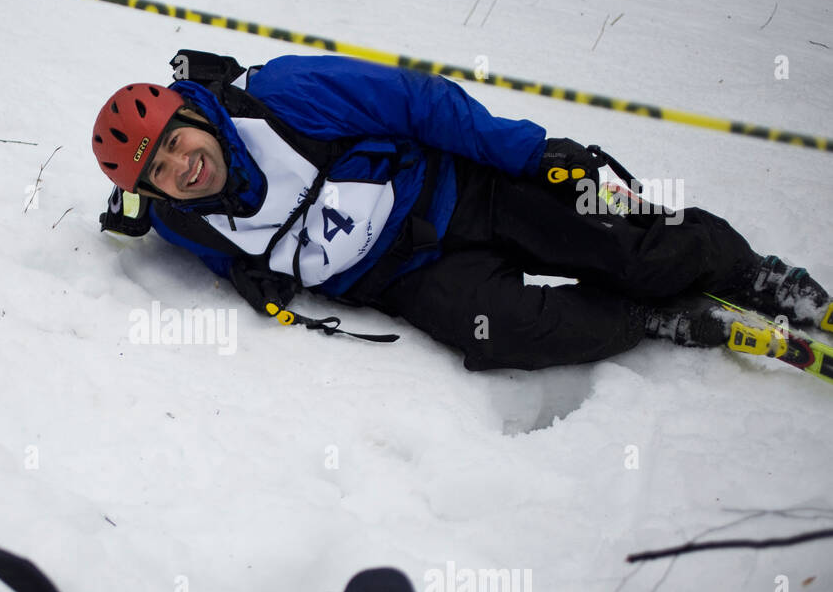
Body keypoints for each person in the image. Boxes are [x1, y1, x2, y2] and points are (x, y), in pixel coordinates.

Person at [91, 51, 833, 371]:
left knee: (626, 245)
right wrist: (253, 281)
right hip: (401, 278)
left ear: (195, 114)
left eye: (175, 141)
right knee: (508, 334)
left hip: (463, 185)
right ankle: (659, 317)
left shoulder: (280, 93)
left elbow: (419, 99)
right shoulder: (177, 221)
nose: (181, 166)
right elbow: (221, 254)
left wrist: (525, 153)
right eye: (159, 172)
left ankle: (758, 277)